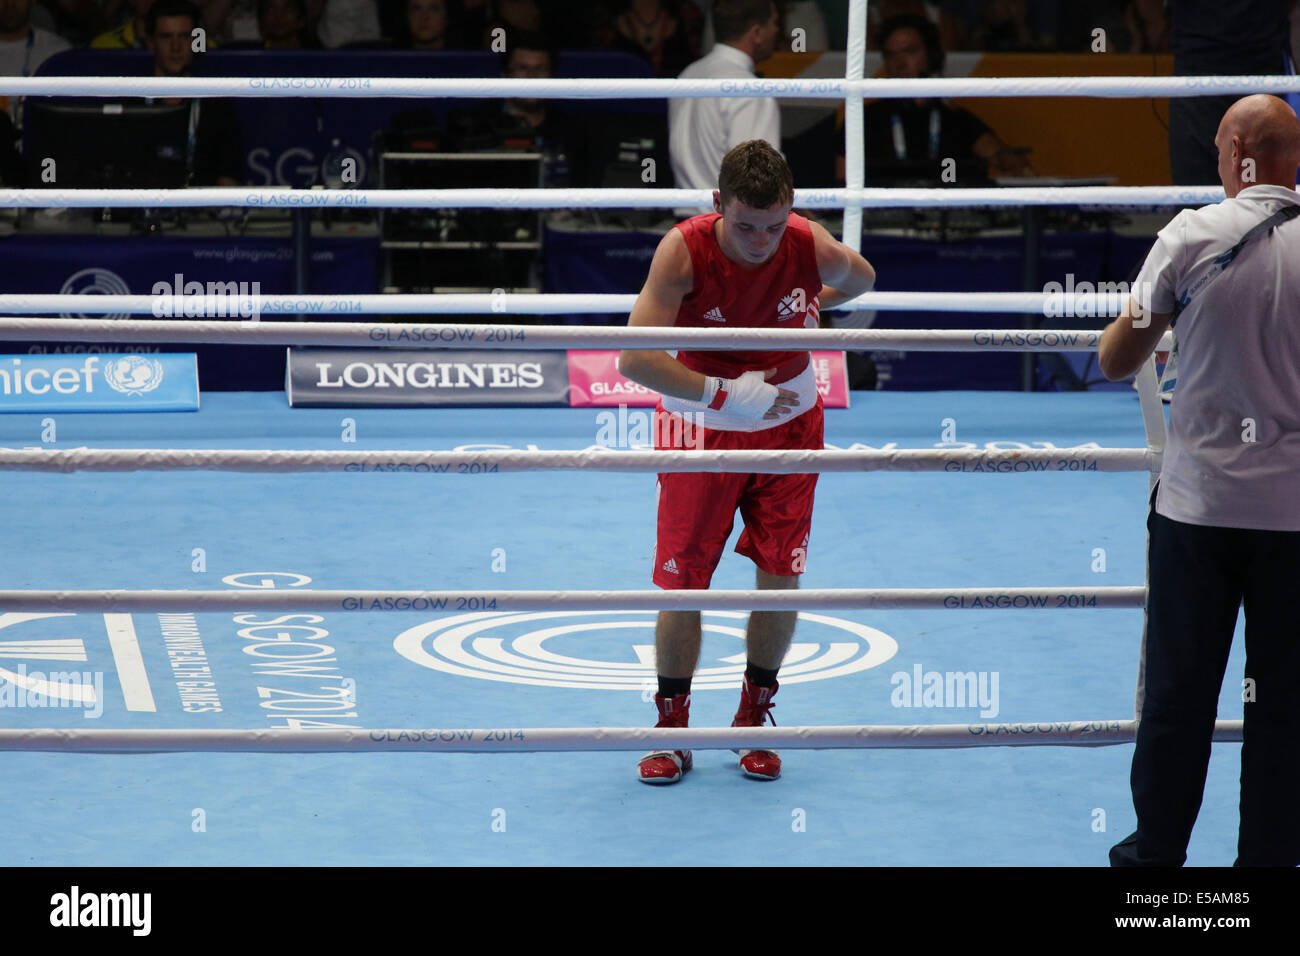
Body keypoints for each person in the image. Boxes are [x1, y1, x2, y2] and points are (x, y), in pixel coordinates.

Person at [617, 140, 877, 784]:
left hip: (792, 421)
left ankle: (754, 716)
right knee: (684, 580)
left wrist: (812, 304)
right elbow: (633, 358)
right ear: (717, 207)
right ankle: (672, 727)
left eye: (772, 225)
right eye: (745, 226)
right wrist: (724, 395)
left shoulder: (806, 241)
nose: (761, 241)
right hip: (701, 423)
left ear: (790, 210)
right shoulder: (684, 248)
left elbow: (863, 280)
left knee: (779, 572)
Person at [1098, 94, 1300, 866]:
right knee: (1283, 704)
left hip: (1200, 511)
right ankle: (1269, 865)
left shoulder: (1191, 234)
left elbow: (1118, 358)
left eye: (1220, 148)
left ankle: (1157, 862)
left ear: (1242, 151)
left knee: (1179, 695)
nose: (1216, 162)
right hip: (1293, 518)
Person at [837, 13, 1031, 185]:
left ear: (932, 56)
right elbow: (842, 184)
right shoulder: (862, 120)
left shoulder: (957, 121)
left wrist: (1012, 165)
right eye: (891, 55)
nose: (900, 63)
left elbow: (1016, 166)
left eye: (910, 52)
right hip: (878, 221)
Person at [668, 0, 779, 192]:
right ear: (757, 34)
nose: (777, 31)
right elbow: (759, 181)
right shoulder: (750, 89)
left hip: (688, 216)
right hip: (729, 218)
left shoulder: (689, 73)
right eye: (774, 23)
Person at [146, 0, 243, 185]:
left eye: (184, 36)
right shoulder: (128, 102)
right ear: (151, 43)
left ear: (196, 41)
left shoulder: (218, 108)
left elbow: (229, 185)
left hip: (200, 211)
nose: (175, 47)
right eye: (166, 37)